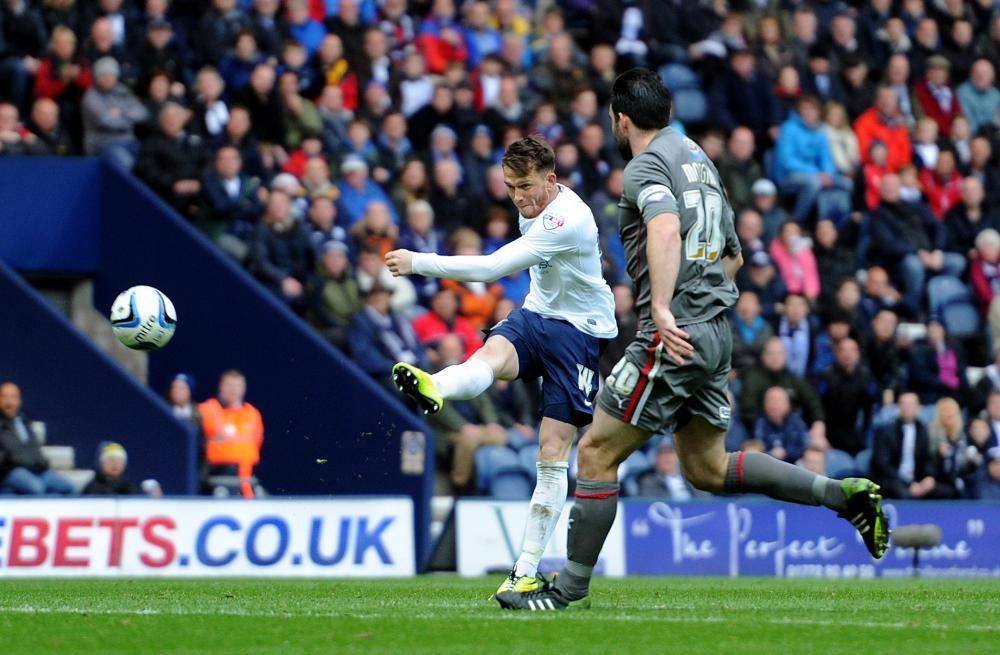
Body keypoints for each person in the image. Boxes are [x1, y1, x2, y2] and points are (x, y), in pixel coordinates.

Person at [496, 69, 887, 612]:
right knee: (707, 468)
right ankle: (840, 496)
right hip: (714, 333)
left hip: (672, 332)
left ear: (621, 118)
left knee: (596, 452)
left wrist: (662, 306)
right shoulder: (698, 159)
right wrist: (703, 307)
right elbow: (734, 254)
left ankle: (565, 591)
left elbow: (660, 226)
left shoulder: (645, 166)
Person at [384, 135, 616, 597]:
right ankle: (435, 386)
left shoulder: (568, 219)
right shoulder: (530, 205)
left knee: (551, 453)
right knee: (488, 357)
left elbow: (491, 269)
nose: (517, 197)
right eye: (510, 187)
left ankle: (526, 568)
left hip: (579, 333)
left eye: (525, 186)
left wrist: (418, 262)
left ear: (551, 180)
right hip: (535, 314)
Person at [0, 381, 75, 495]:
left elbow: (33, 448)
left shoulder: (24, 421)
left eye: (13, 397)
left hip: (36, 470)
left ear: (19, 401)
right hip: (10, 471)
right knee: (37, 488)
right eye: (4, 397)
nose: (9, 402)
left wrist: (41, 462)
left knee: (68, 488)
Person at [198, 369, 264, 497]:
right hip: (217, 477)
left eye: (237, 386)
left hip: (248, 478)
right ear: (221, 386)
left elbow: (257, 441)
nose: (233, 390)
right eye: (229, 385)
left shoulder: (252, 413)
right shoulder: (207, 410)